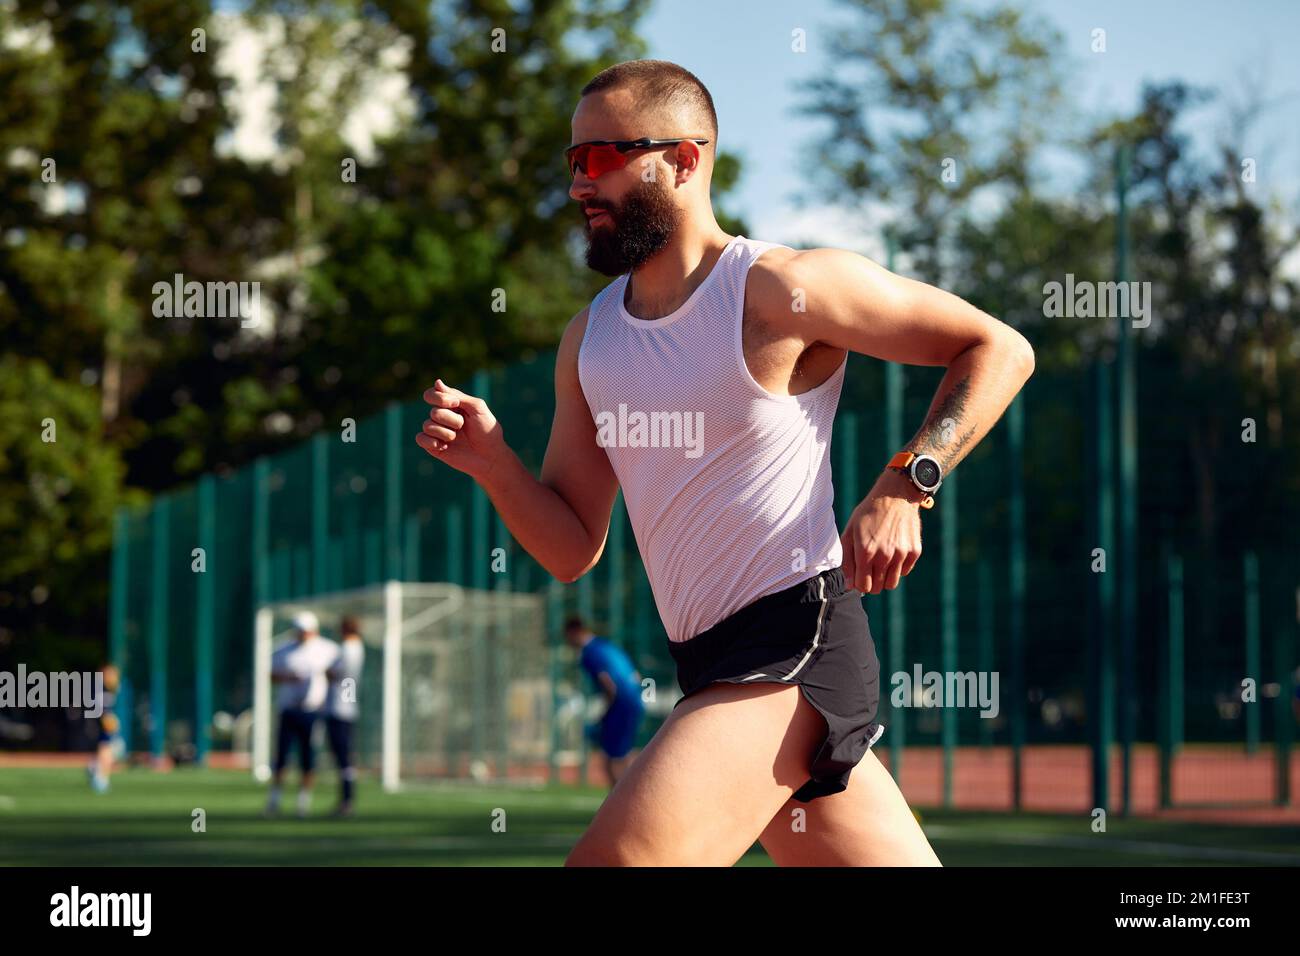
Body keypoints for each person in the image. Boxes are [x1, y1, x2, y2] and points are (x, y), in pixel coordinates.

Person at [416, 60, 1034, 865]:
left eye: (599, 158)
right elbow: (572, 548)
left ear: (683, 158)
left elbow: (1000, 347)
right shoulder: (590, 342)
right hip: (713, 668)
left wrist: (906, 482)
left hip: (794, 647)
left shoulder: (780, 288)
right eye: (572, 162)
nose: (578, 186)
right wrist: (496, 465)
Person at [265, 611, 338, 818]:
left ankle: (303, 801)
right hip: (288, 709)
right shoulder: (283, 650)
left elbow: (340, 676)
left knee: (308, 756)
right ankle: (275, 799)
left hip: (312, 711)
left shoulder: (327, 649)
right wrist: (289, 678)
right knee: (282, 756)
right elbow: (271, 675)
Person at [564, 616, 645, 787]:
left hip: (621, 703)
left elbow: (609, 685)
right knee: (623, 754)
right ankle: (630, 799)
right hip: (635, 701)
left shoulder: (589, 653)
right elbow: (636, 676)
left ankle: (624, 803)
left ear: (574, 632)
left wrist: (605, 712)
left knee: (611, 760)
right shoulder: (606, 646)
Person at [325, 614, 365, 817]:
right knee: (344, 757)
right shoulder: (356, 648)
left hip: (340, 710)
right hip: (346, 707)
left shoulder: (347, 649)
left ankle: (347, 801)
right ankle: (346, 800)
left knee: (344, 757)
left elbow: (337, 674)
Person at [86, 663, 121, 794]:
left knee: (110, 751)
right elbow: (101, 710)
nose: (115, 678)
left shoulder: (106, 689)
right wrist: (110, 721)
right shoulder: (100, 689)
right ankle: (100, 779)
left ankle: (94, 767)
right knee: (107, 750)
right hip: (99, 725)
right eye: (112, 675)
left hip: (101, 724)